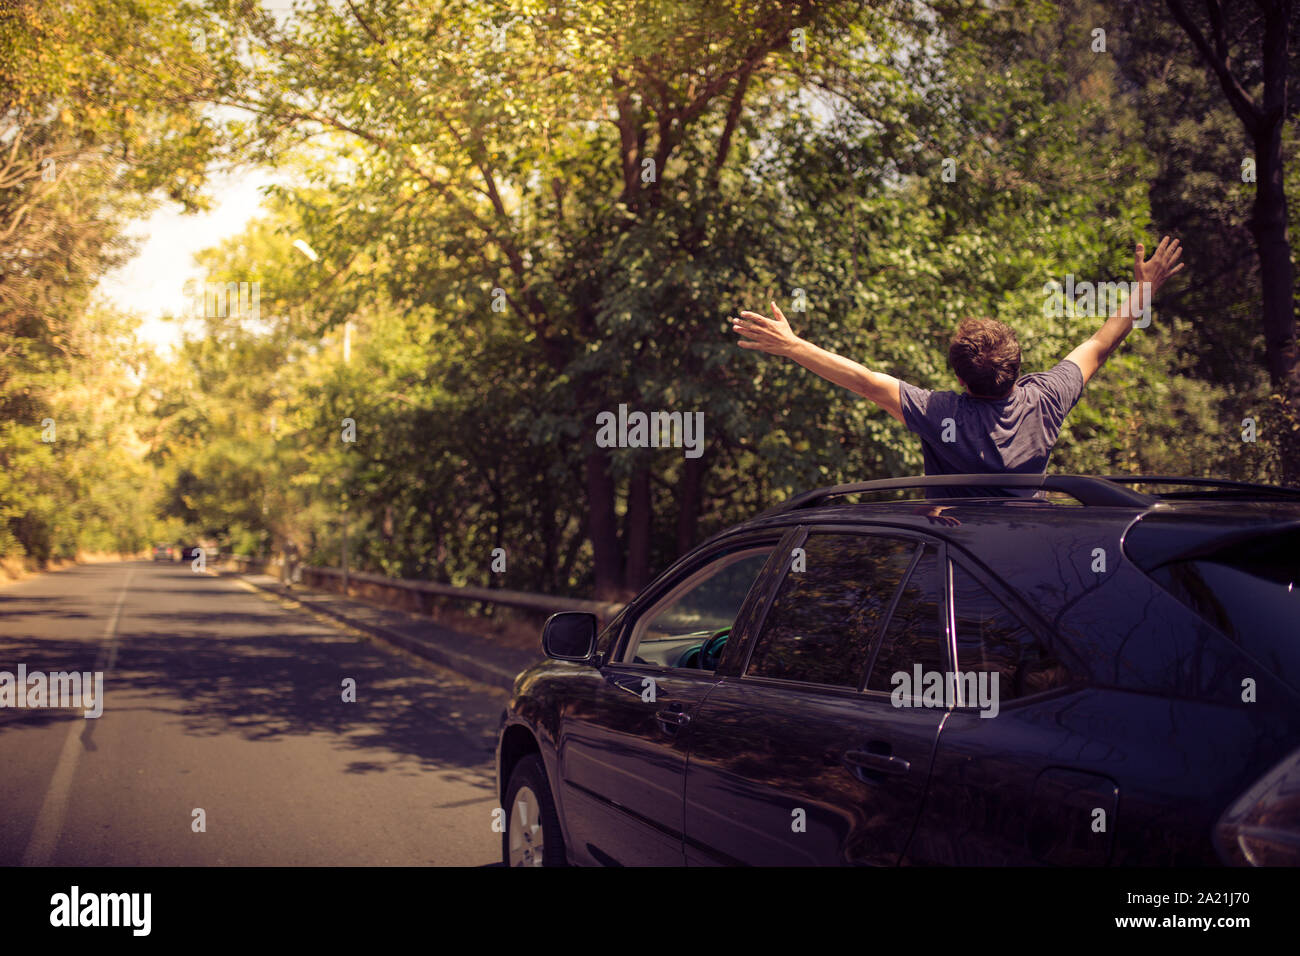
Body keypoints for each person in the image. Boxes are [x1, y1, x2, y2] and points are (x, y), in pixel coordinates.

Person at [731, 238, 1185, 500]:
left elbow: (866, 383)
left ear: (961, 379)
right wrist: (1144, 288)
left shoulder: (941, 413)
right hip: (1031, 564)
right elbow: (1101, 344)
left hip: (954, 569)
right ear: (1018, 366)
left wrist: (792, 346)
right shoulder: (1047, 398)